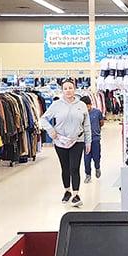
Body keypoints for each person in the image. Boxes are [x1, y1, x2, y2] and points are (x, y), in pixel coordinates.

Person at [39, 78, 91, 207]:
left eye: (70, 88)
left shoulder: (81, 105)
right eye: (65, 88)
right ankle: (67, 191)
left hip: (77, 140)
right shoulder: (56, 105)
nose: (68, 91)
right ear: (62, 90)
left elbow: (87, 125)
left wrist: (88, 142)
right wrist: (51, 130)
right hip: (60, 141)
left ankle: (76, 195)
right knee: (65, 167)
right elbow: (43, 119)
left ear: (74, 89)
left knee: (75, 167)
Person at [81, 95, 105, 182]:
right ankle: (88, 175)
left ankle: (97, 167)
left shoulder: (97, 112)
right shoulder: (81, 114)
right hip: (85, 140)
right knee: (86, 158)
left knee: (96, 156)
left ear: (90, 104)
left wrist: (97, 130)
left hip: (95, 139)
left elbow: (101, 122)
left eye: (87, 106)